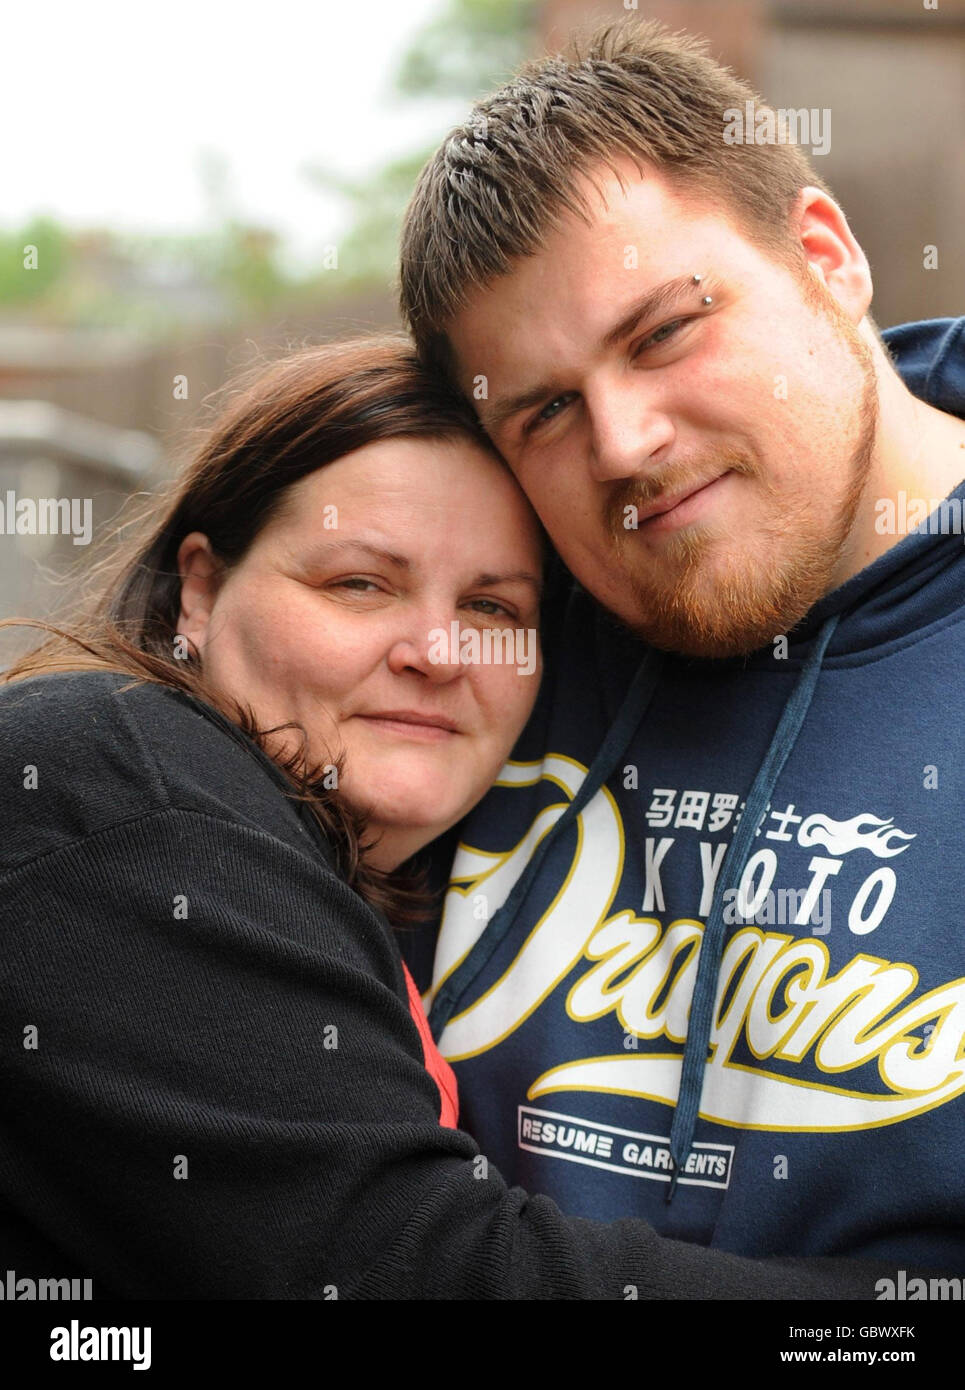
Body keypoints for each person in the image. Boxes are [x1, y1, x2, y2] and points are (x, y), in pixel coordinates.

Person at [0, 334, 913, 1300]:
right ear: (200, 589)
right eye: (359, 583)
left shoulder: (346, 879)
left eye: (491, 608)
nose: (437, 653)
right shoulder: (111, 780)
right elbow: (421, 1272)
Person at [397, 20, 965, 1267]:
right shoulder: (469, 658)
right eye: (546, 410)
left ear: (825, 257)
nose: (621, 444)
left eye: (661, 333)